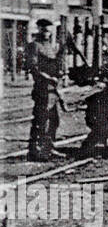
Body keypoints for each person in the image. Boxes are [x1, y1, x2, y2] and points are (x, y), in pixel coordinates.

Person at [25, 19, 65, 160]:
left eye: (49, 30)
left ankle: (48, 148)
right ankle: (35, 150)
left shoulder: (50, 46)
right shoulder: (34, 46)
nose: (47, 33)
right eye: (44, 30)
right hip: (42, 89)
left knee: (54, 120)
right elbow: (33, 68)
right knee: (41, 120)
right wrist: (49, 78)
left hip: (53, 90)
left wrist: (59, 74)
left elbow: (54, 65)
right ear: (39, 29)